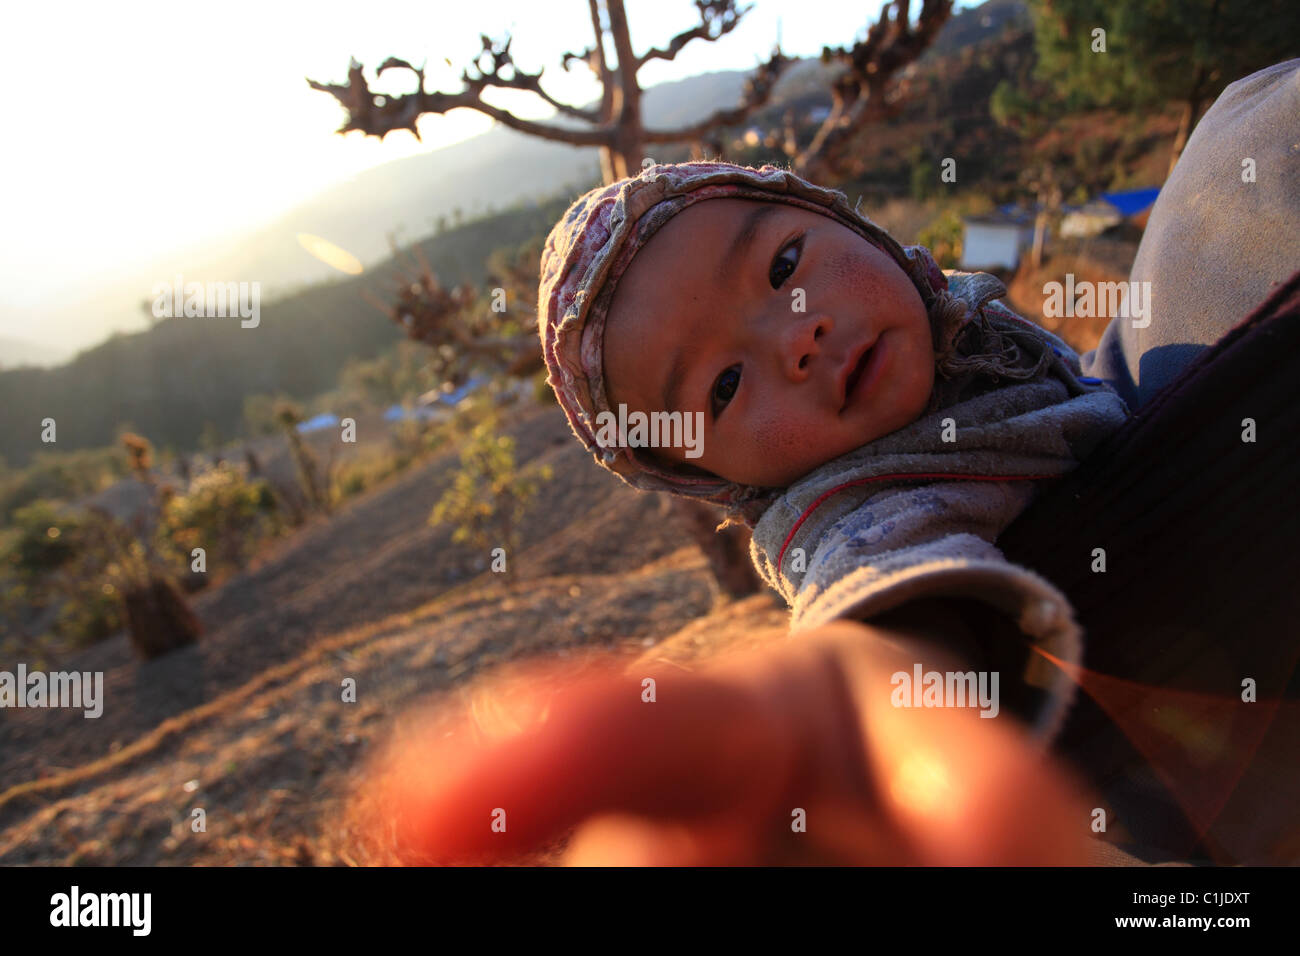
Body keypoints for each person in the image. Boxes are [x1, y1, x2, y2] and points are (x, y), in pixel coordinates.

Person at [356, 61, 1299, 866]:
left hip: (1151, 426)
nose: (794, 337)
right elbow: (888, 597)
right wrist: (870, 694)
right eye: (723, 388)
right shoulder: (851, 504)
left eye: (782, 264)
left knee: (1244, 111)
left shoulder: (947, 316)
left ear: (849, 224)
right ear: (717, 478)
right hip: (1195, 696)